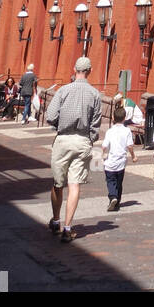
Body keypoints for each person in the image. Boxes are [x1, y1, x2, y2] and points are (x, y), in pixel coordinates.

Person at [45, 55, 102, 242]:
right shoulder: (95, 94)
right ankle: (68, 228)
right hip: (82, 140)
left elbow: (51, 115)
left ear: (74, 69)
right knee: (74, 184)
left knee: (57, 183)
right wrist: (90, 139)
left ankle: (55, 220)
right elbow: (96, 123)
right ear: (89, 71)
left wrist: (59, 126)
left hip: (63, 139)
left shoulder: (63, 90)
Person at [102, 101, 135, 211]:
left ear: (112, 117)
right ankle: (117, 202)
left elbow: (104, 146)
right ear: (125, 118)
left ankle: (112, 197)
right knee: (119, 182)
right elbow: (130, 146)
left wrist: (103, 154)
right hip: (121, 161)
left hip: (110, 161)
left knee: (111, 181)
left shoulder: (110, 131)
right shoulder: (127, 131)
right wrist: (133, 156)